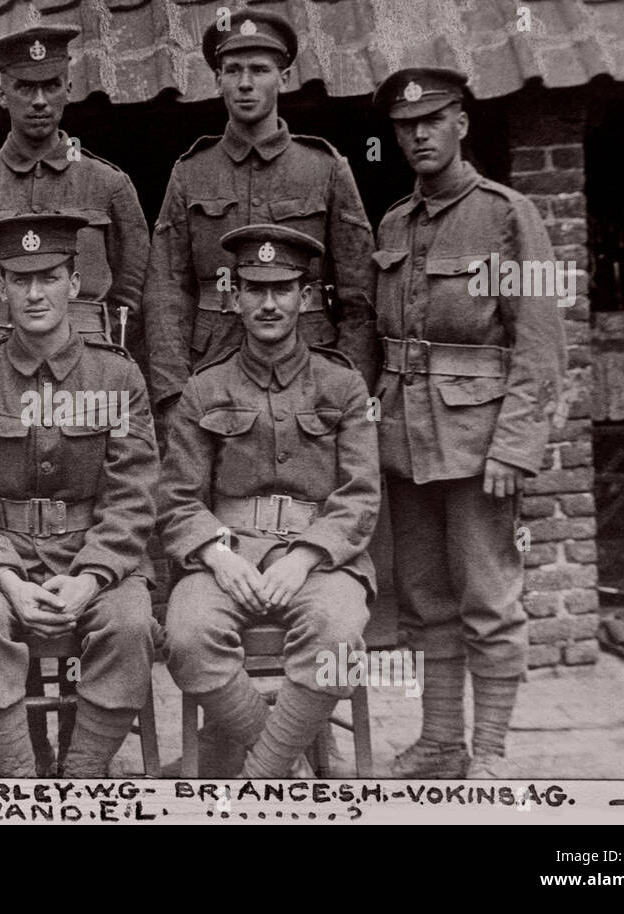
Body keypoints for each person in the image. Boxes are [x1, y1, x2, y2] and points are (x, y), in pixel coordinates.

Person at [371, 67, 565, 778]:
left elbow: (541, 345)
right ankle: (440, 741)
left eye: (433, 119)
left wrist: (515, 446)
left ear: (462, 123)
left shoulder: (510, 215)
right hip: (406, 444)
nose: (418, 134)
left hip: (482, 445)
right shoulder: (394, 223)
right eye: (404, 125)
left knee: (489, 599)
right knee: (424, 600)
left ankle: (489, 754)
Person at [0, 214, 158, 777]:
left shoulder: (117, 375)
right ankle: (21, 783)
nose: (35, 293)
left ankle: (80, 779)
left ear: (74, 284)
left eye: (50, 277)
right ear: (1, 288)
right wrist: (6, 577)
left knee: (130, 624)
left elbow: (133, 493)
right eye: (19, 279)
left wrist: (91, 577)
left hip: (94, 557)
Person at [159, 224, 379, 778]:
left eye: (282, 289)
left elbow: (359, 494)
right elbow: (178, 497)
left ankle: (261, 777)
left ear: (304, 298)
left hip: (322, 558)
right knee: (186, 636)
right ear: (234, 297)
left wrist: (305, 556)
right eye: (255, 290)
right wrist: (218, 556)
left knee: (335, 635)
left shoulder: (342, 385)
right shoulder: (204, 388)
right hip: (228, 556)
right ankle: (295, 768)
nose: (269, 303)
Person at [144, 7, 377, 419]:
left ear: (284, 78)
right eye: (232, 70)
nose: (245, 83)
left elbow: (359, 293)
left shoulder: (325, 168)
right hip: (212, 363)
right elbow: (166, 291)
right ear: (217, 81)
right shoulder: (191, 173)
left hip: (310, 364)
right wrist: (172, 393)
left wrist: (346, 384)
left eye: (259, 69)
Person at [0, 25, 149, 377]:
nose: (40, 100)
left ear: (69, 90)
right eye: (25, 87)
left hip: (88, 366)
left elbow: (131, 301)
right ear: (2, 93)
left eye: (52, 85)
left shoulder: (109, 186)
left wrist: (111, 366)